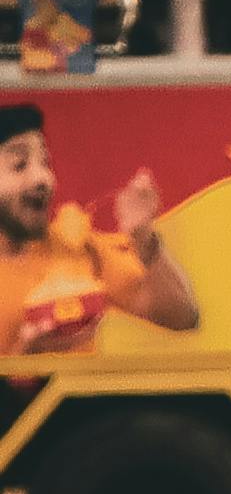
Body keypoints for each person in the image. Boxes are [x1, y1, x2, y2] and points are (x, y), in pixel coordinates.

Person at [0, 104, 198, 354]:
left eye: (45, 163)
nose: (42, 178)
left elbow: (182, 317)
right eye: (19, 165)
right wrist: (26, 363)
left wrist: (144, 239)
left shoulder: (80, 248)